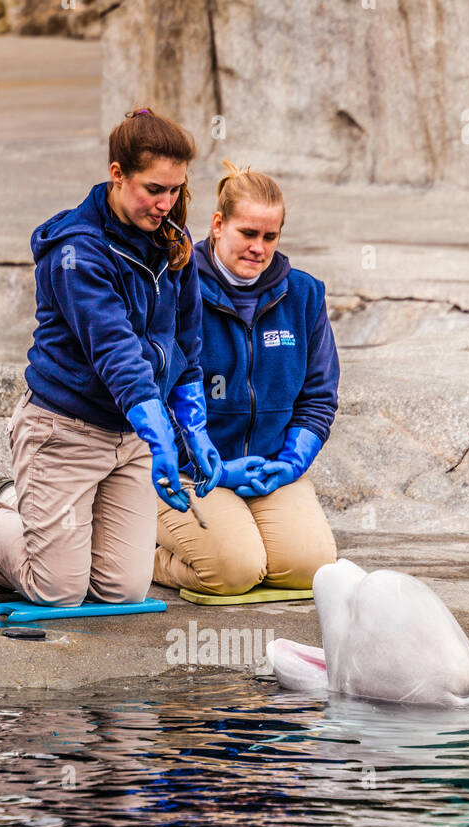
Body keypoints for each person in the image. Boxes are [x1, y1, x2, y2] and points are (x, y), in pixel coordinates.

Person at [0, 108, 221, 606]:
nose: (166, 203)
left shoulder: (173, 242)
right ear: (117, 175)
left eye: (175, 190)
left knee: (121, 590)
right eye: (154, 189)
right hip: (66, 430)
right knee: (57, 591)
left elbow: (187, 343)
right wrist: (159, 431)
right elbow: (117, 353)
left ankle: (46, 524)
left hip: (129, 438)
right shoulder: (77, 252)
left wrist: (193, 425)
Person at [153, 161, 340, 596]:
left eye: (270, 236)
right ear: (218, 225)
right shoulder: (176, 287)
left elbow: (318, 398)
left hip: (268, 466)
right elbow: (155, 397)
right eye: (248, 234)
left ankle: (241, 523)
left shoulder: (305, 295)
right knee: (234, 571)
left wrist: (290, 464)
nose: (259, 247)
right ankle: (129, 552)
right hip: (188, 470)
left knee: (308, 567)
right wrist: (212, 467)